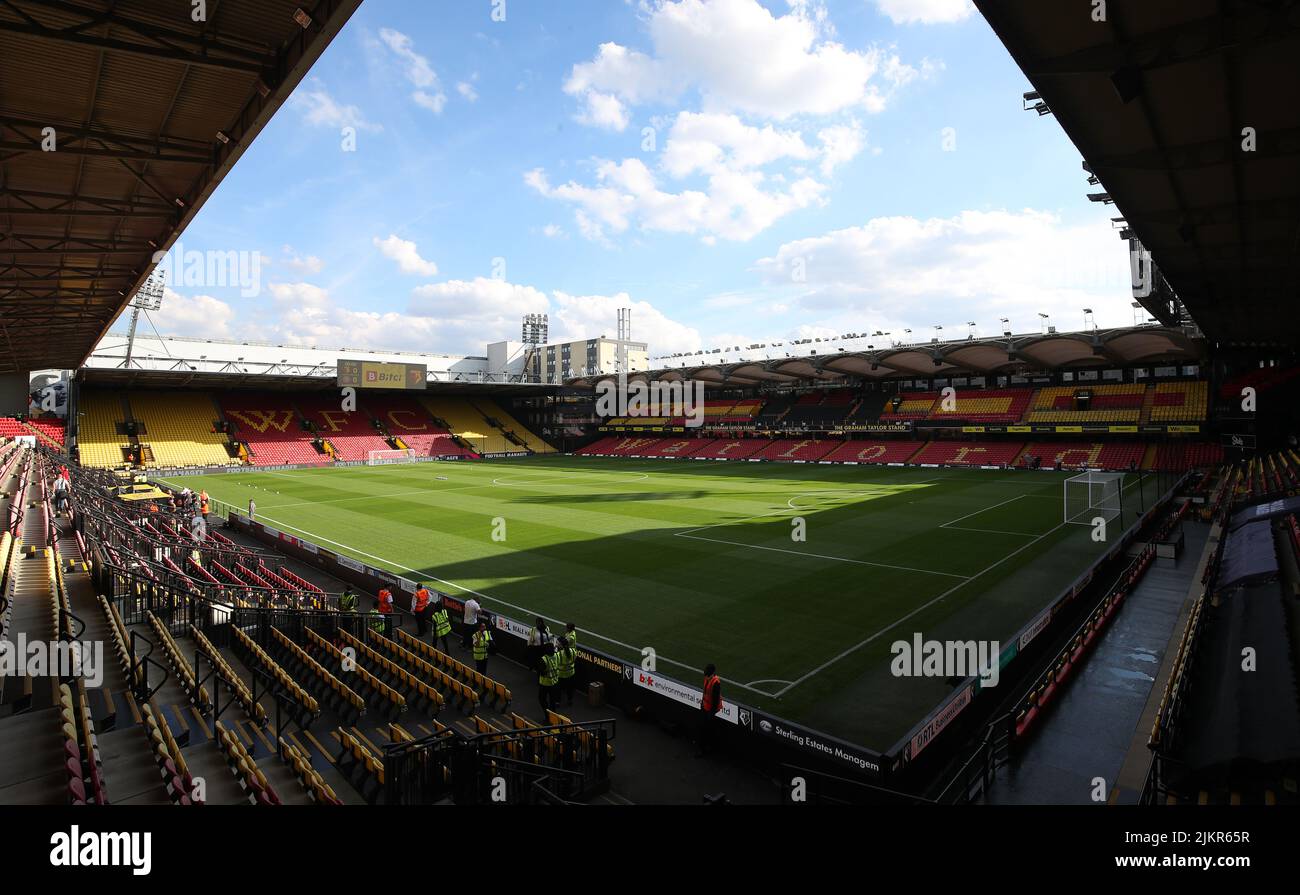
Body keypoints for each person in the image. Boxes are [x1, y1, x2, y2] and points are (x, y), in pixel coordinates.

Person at [697, 664, 723, 757]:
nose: (706, 677)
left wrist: (711, 713)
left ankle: (706, 748)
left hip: (710, 709)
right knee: (703, 727)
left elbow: (715, 701)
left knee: (706, 729)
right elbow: (705, 692)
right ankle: (703, 747)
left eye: (708, 676)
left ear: (712, 674)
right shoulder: (707, 678)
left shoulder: (716, 683)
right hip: (705, 706)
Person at [537, 640, 560, 714]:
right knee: (552, 701)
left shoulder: (544, 659)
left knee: (542, 699)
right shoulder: (557, 655)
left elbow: (541, 672)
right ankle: (553, 715)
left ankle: (547, 714)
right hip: (555, 682)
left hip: (545, 684)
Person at [556, 634, 578, 707]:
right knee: (570, 689)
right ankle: (569, 700)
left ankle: (558, 702)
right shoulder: (573, 651)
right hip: (571, 674)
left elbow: (556, 664)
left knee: (558, 690)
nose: (556, 644)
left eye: (557, 643)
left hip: (560, 675)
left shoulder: (558, 654)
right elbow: (574, 659)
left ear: (561, 645)